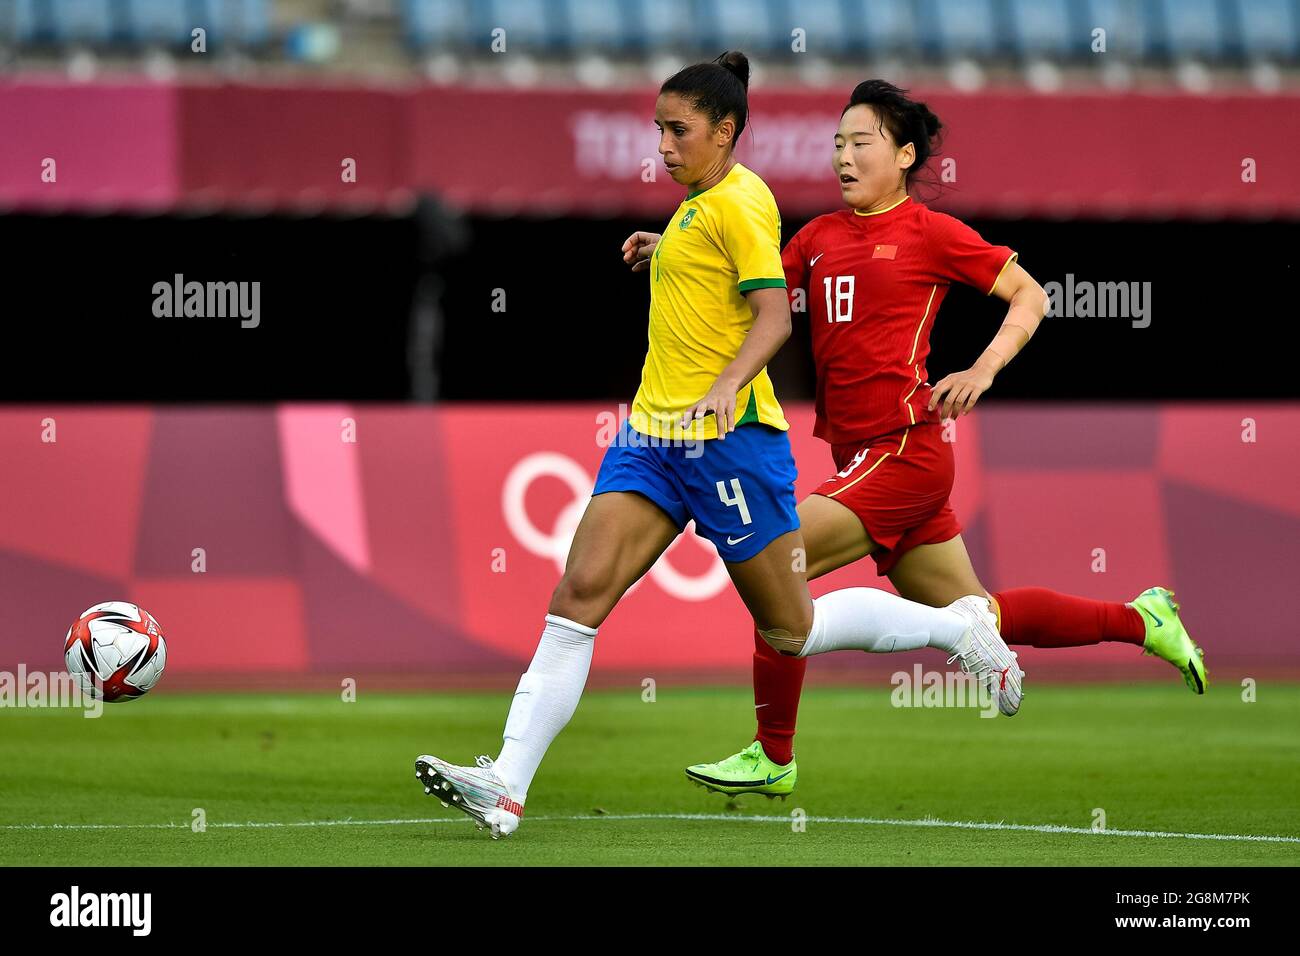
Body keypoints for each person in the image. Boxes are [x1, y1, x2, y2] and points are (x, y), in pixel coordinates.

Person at [414, 60, 1022, 838]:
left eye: (679, 131)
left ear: (724, 132)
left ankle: (955, 627)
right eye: (658, 130)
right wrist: (664, 248)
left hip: (732, 442)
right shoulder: (700, 209)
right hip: (654, 438)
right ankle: (505, 784)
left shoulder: (744, 199)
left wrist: (729, 385)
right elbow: (713, 277)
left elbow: (772, 316)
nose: (662, 146)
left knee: (790, 628)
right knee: (580, 595)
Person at [654, 80, 1206, 799]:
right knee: (980, 611)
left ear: (904, 154)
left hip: (906, 451)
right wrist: (670, 247)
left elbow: (1031, 296)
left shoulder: (929, 232)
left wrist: (982, 366)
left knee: (776, 573)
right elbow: (747, 291)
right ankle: (1143, 620)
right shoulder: (817, 238)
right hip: (860, 458)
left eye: (862, 143)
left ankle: (773, 754)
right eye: (837, 145)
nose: (844, 158)